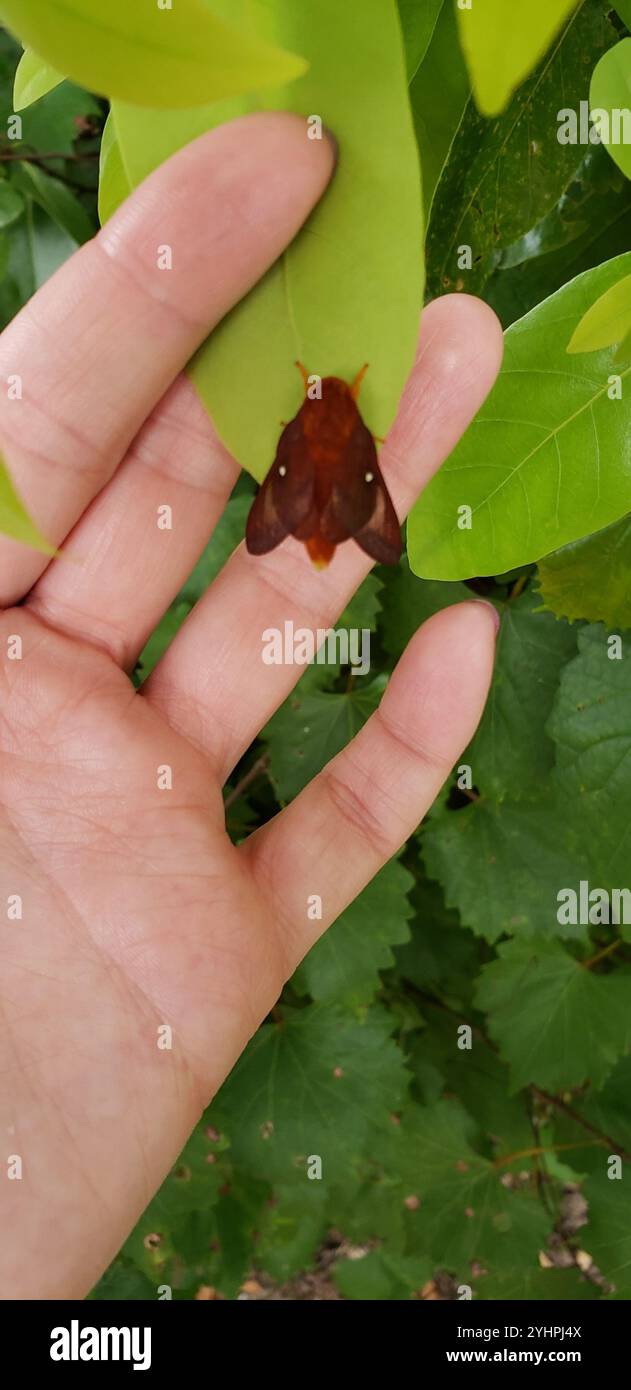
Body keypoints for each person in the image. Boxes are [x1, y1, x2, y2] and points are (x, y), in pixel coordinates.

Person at [0, 113, 502, 1299]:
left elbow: (313, 463)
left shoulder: (314, 431)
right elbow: (325, 468)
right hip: (326, 456)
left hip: (317, 453)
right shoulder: (331, 436)